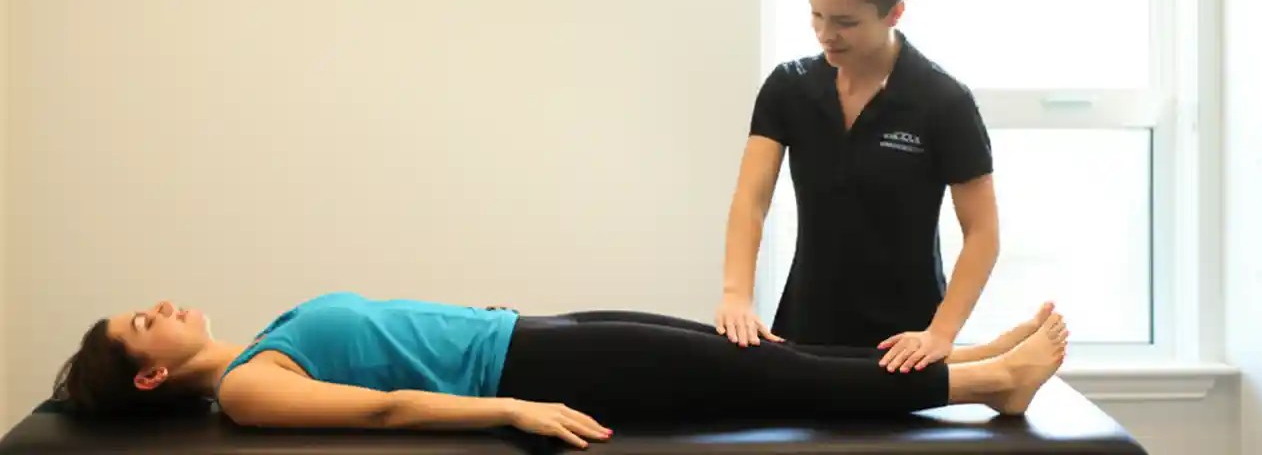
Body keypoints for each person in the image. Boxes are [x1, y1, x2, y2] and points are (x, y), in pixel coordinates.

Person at [54, 292, 1068, 449]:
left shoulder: (262, 334)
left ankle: (964, 355)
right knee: (764, 379)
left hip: (535, 328)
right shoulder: (242, 387)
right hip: (535, 365)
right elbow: (379, 408)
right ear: (149, 377)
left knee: (758, 349)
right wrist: (517, 407)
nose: (162, 305)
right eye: (142, 324)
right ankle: (985, 388)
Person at [715, 0, 1001, 374]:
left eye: (845, 22)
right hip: (805, 331)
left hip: (904, 343)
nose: (826, 34)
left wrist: (941, 333)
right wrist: (735, 295)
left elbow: (983, 232)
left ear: (894, 14)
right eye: (817, 16)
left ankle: (1000, 364)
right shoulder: (789, 88)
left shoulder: (942, 101)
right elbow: (752, 198)